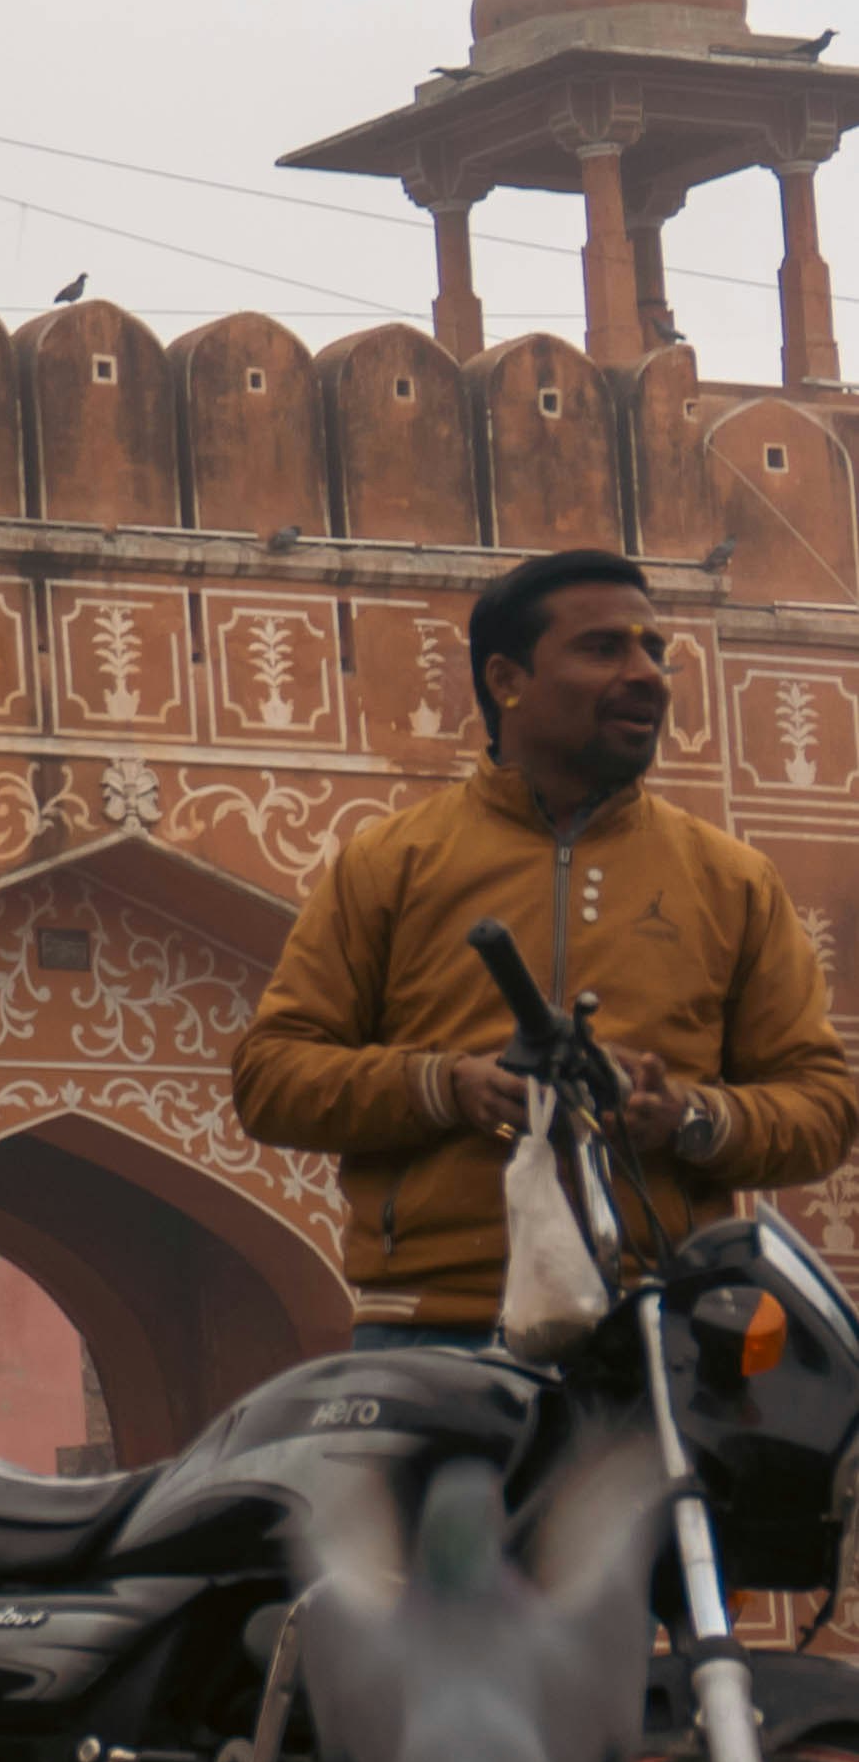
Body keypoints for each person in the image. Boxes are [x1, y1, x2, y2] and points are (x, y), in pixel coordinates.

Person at [233, 546, 859, 1331]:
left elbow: (822, 1108)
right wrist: (444, 1086)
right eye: (604, 649)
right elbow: (271, 1078)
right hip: (438, 1317)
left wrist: (689, 1119)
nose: (646, 674)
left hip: (659, 1320)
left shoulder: (728, 879)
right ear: (506, 681)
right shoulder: (393, 863)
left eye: (653, 651)